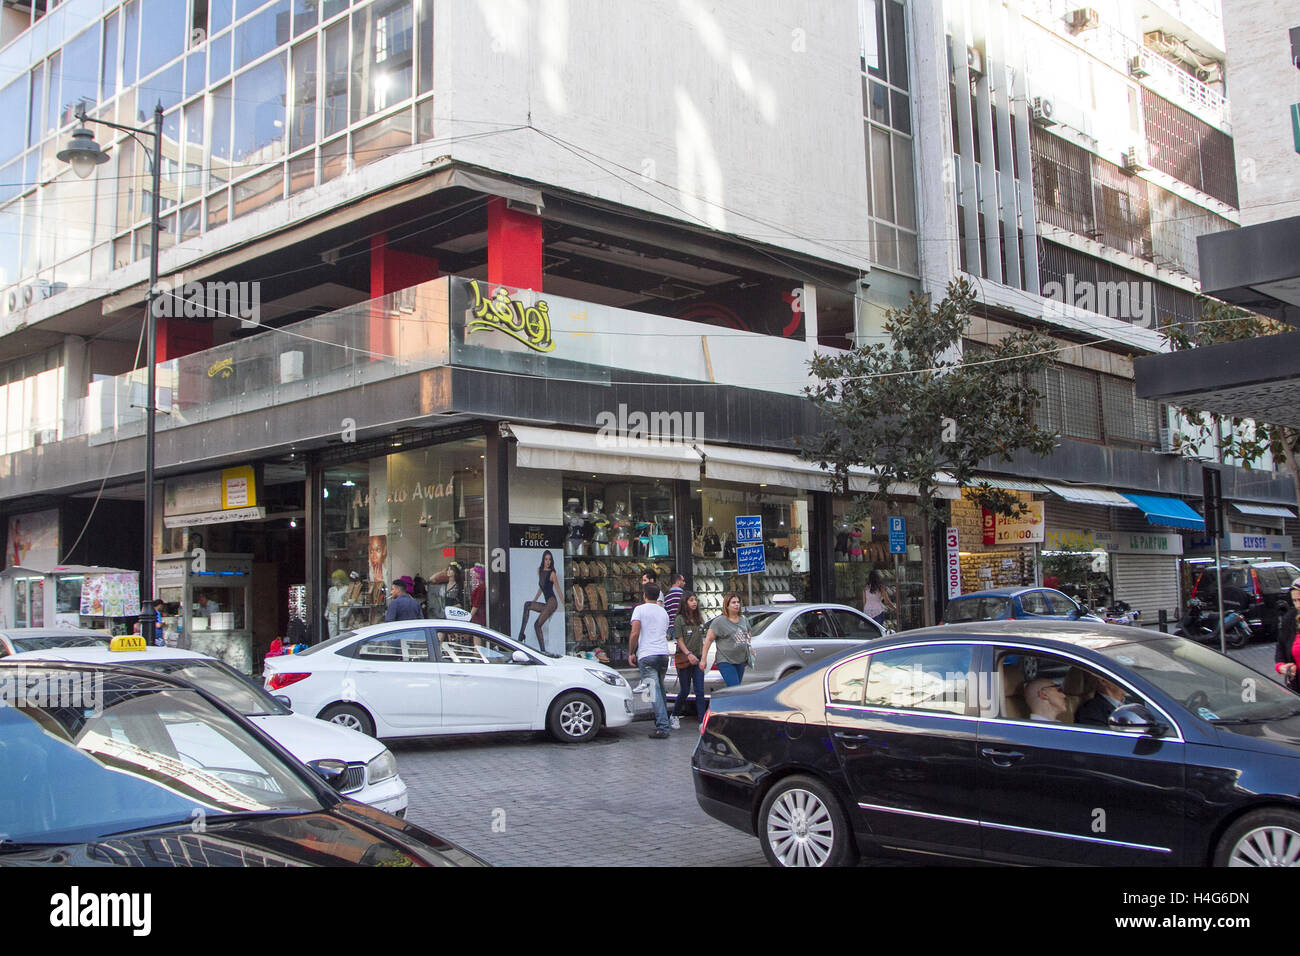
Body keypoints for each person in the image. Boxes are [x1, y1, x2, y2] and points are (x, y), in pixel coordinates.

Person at [629, 583, 672, 738]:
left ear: (644, 595)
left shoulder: (639, 610)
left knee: (654, 692)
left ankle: (662, 726)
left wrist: (631, 652)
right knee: (660, 689)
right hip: (663, 654)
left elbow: (635, 633)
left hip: (647, 655)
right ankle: (663, 720)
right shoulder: (663, 612)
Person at [700, 592, 753, 688]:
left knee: (736, 688)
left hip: (740, 660)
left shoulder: (743, 619)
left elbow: (748, 633)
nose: (737, 604)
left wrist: (749, 646)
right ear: (727, 605)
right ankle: (732, 703)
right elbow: (708, 640)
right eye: (733, 602)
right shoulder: (719, 621)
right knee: (735, 688)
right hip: (725, 660)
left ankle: (727, 702)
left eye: (738, 602)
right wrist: (703, 659)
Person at [671, 591, 707, 729]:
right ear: (685, 602)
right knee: (685, 690)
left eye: (695, 600)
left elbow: (703, 639)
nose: (694, 602)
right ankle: (674, 714)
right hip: (685, 658)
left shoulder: (699, 618)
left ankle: (702, 721)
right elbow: (679, 640)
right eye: (691, 600)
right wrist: (688, 654)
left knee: (699, 690)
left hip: (697, 658)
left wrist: (702, 657)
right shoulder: (679, 619)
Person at [519, 550, 562, 651]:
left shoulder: (552, 574)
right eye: (546, 559)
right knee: (527, 605)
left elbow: (558, 589)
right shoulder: (539, 571)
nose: (548, 562)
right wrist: (534, 600)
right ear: (543, 560)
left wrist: (564, 603)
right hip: (547, 604)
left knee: (537, 625)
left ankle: (543, 651)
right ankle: (521, 634)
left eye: (550, 560)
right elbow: (541, 588)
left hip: (552, 602)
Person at [1275, 579, 1300, 691]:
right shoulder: (1289, 619)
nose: (1298, 605)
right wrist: (1281, 666)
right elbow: (1281, 647)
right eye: (1294, 600)